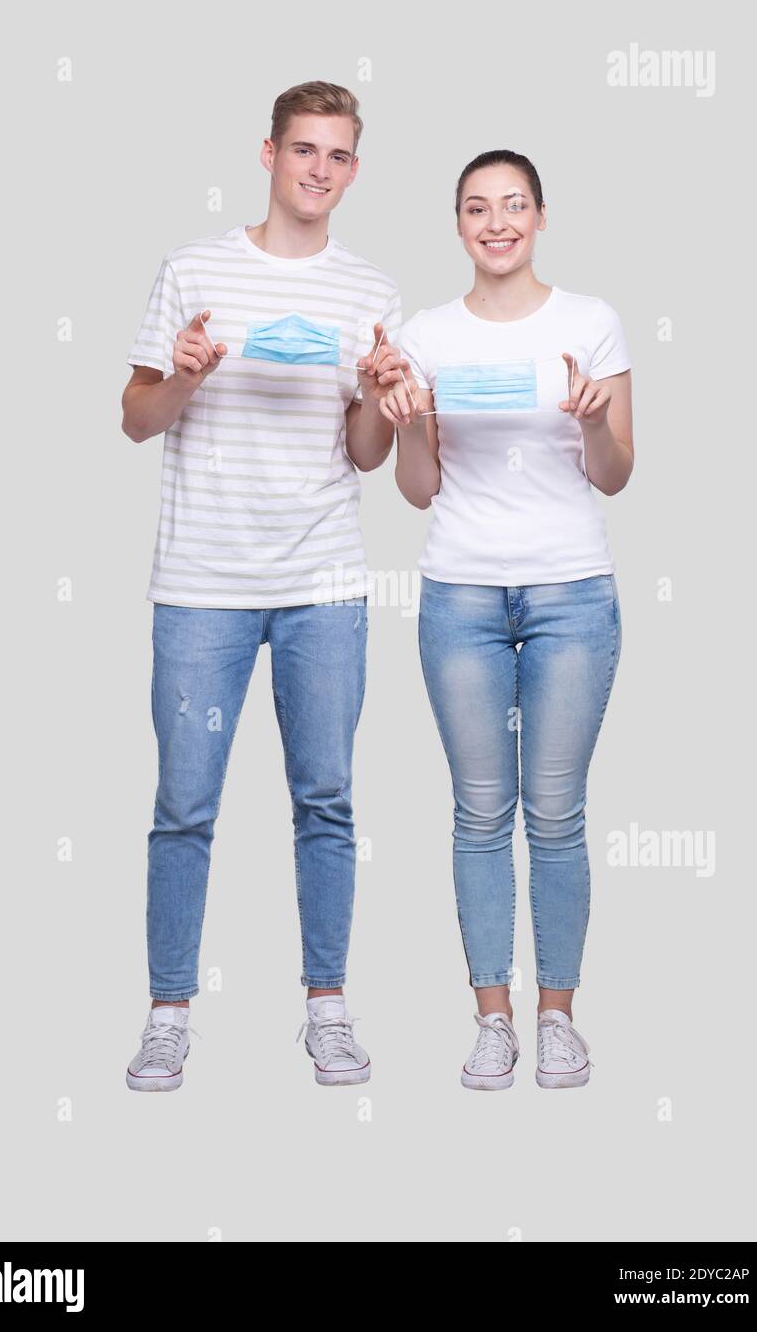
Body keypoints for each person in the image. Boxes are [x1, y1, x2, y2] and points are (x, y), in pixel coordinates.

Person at [121, 81, 407, 1091]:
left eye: (335, 154)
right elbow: (136, 419)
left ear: (352, 169)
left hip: (322, 578)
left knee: (324, 798)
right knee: (184, 803)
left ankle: (326, 1009)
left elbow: (367, 454)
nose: (317, 168)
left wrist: (378, 399)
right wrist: (187, 371)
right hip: (199, 580)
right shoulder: (194, 267)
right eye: (302, 150)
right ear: (268, 153)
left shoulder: (369, 292)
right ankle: (166, 1015)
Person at [381, 149, 633, 1091]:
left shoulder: (591, 323)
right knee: (480, 813)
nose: (497, 223)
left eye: (514, 205)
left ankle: (558, 1019)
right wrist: (411, 420)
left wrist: (597, 419)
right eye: (478, 208)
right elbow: (417, 490)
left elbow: (615, 472)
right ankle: (492, 1022)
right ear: (457, 224)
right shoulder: (426, 334)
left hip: (572, 593)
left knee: (556, 815)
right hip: (461, 597)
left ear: (539, 216)